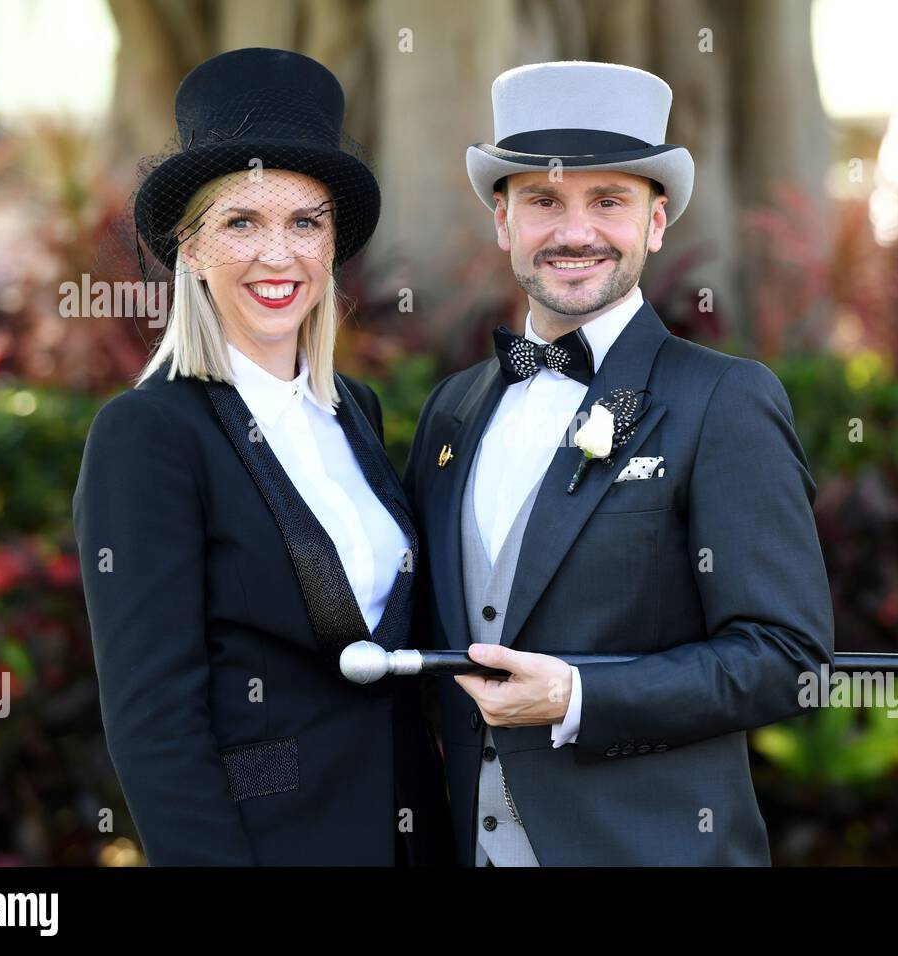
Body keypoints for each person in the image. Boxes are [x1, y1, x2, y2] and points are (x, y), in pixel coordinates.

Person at [402, 60, 834, 865]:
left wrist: (578, 697)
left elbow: (787, 658)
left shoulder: (725, 401)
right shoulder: (451, 410)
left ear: (656, 222)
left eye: (608, 201)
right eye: (542, 201)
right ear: (502, 222)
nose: (574, 233)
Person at [73, 47, 451, 866]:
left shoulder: (355, 411)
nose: (277, 255)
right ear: (192, 248)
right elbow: (153, 724)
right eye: (241, 221)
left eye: (304, 222)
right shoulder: (148, 436)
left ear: (332, 245)